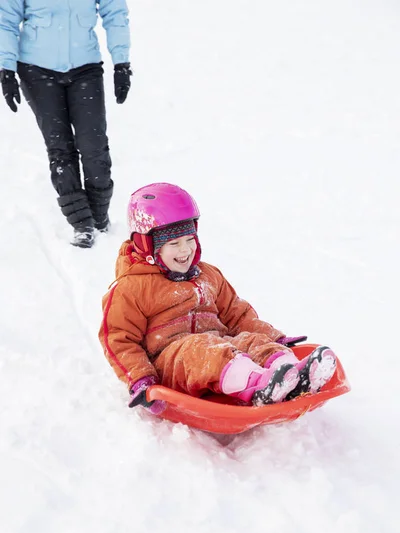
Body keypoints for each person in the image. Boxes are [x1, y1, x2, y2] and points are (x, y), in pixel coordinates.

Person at [99, 183, 337, 415]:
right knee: (202, 348)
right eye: (174, 244)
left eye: (190, 240)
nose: (185, 251)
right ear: (147, 247)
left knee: (250, 341)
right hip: (174, 363)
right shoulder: (131, 288)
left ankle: (291, 372)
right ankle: (261, 385)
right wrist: (141, 378)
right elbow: (119, 340)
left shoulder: (208, 275)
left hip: (223, 349)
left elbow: (237, 315)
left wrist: (274, 338)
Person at [0, 0, 131, 248]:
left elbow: (115, 13)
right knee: (60, 148)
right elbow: (5, 20)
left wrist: (121, 63)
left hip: (85, 68)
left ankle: (99, 215)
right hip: (36, 70)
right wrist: (5, 68)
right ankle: (82, 223)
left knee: (94, 145)